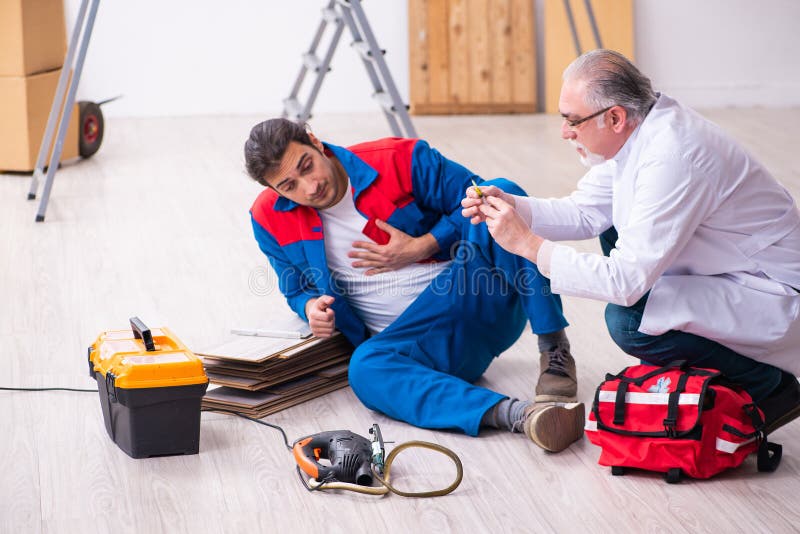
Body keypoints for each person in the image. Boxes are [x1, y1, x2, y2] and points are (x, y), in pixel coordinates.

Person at [462, 49, 800, 434]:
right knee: (613, 227)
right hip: (723, 270)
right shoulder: (637, 134)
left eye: (572, 120)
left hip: (772, 291)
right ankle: (685, 357)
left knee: (629, 322)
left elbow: (624, 283)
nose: (564, 132)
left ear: (615, 117)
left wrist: (528, 245)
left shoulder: (673, 157)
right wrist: (514, 206)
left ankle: (772, 389)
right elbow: (584, 212)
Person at [243, 118, 584, 452]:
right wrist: (308, 306)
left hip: (479, 298)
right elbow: (295, 288)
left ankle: (554, 347)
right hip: (418, 345)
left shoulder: (398, 159)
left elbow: (478, 195)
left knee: (499, 193)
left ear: (315, 142)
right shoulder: (267, 218)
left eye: (307, 166)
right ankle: (524, 417)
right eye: (289, 186)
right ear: (274, 190)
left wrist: (423, 245)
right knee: (364, 370)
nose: (310, 187)